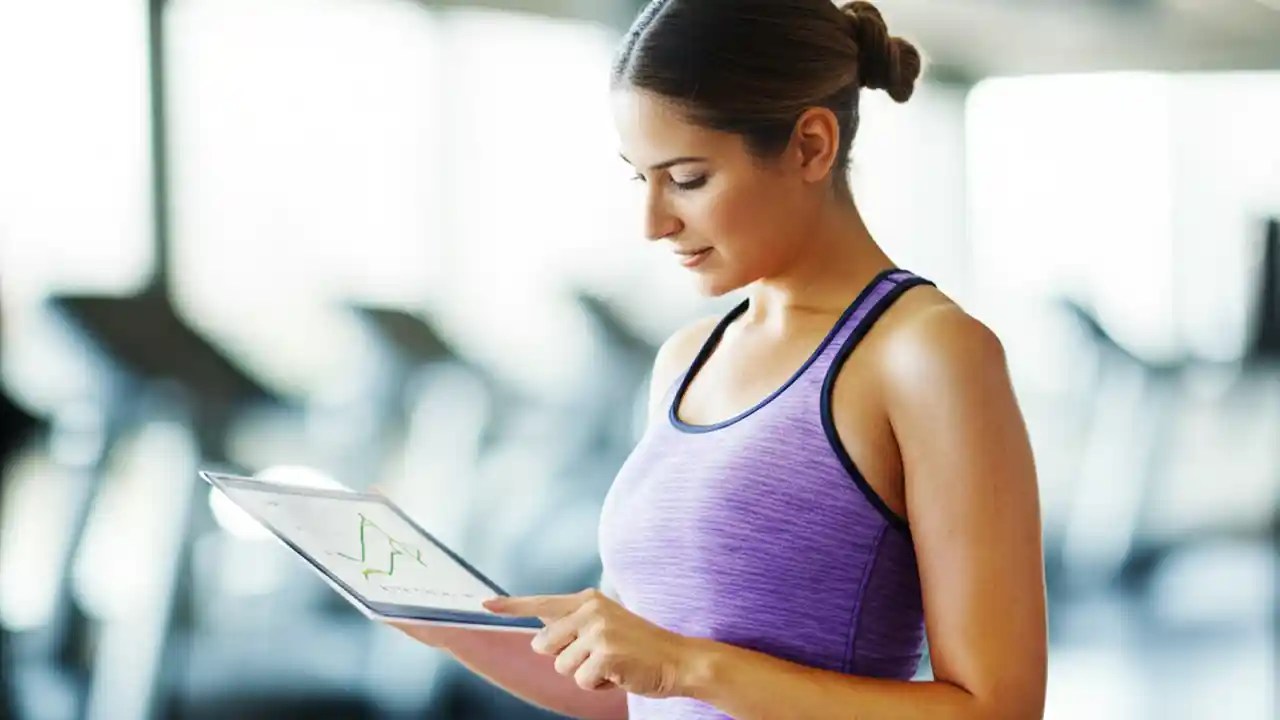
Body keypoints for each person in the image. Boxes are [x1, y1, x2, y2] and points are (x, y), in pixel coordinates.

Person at [394, 1, 1047, 718]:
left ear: (810, 146)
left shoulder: (928, 353)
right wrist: (433, 618)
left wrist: (682, 664)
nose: (654, 222)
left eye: (688, 178)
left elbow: (997, 709)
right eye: (638, 177)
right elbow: (636, 694)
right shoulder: (687, 358)